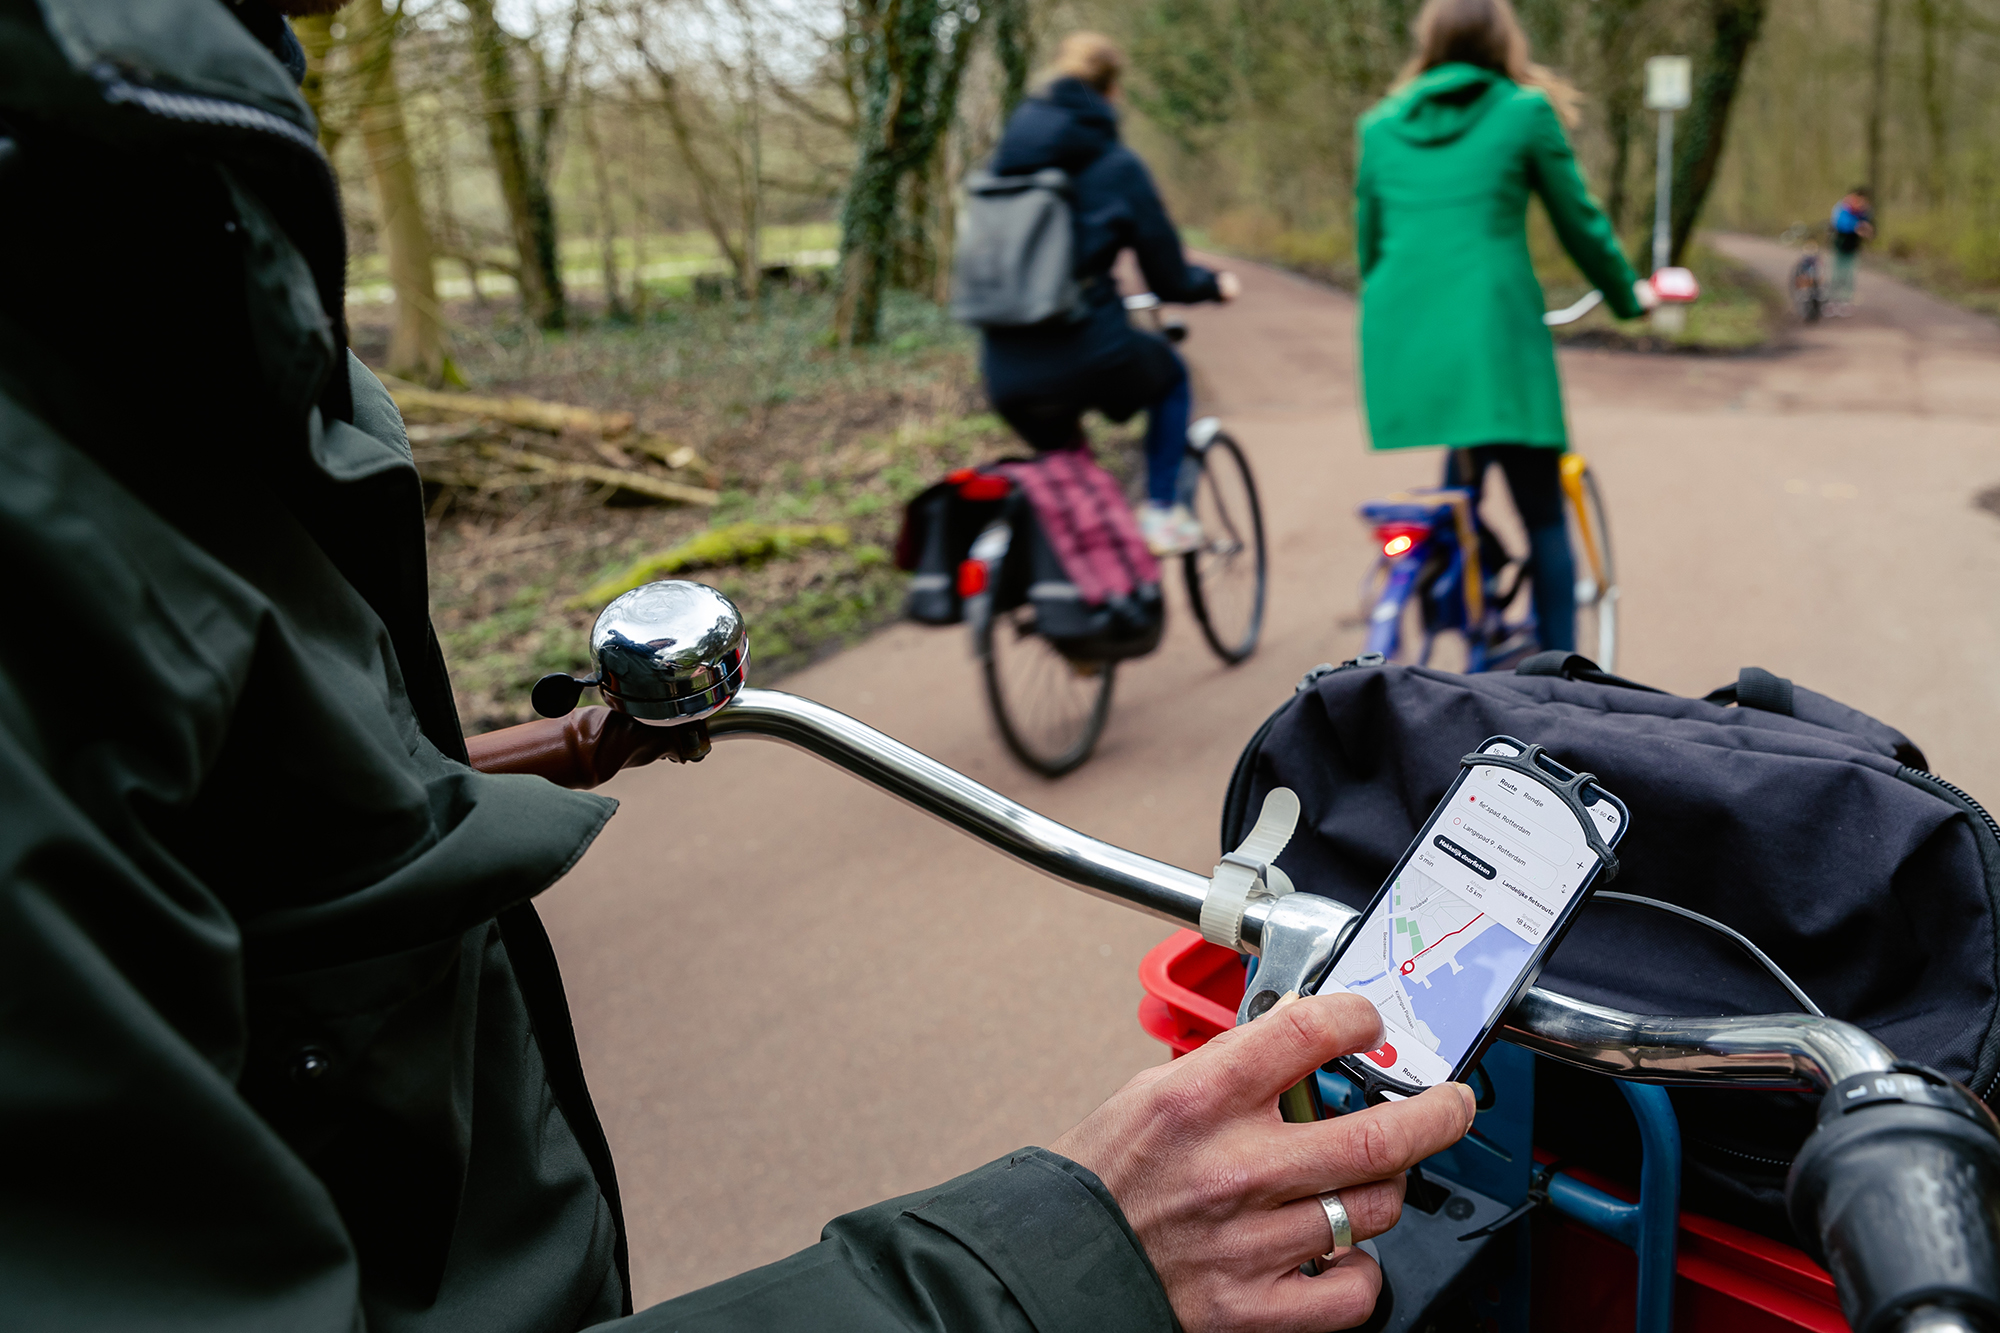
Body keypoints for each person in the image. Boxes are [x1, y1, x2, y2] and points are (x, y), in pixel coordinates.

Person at [0, 3, 1473, 1331]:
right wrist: (1068, 1265)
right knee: (1158, 383)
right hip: (1100, 348)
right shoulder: (102, 254)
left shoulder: (169, 186)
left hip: (1007, 357)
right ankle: (1161, 511)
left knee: (1045, 445)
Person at [1354, 0, 1657, 653]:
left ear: (1428, 42)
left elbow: (1370, 247)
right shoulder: (1523, 112)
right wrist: (1628, 296)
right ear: (1504, 42)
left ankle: (1461, 590)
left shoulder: (1379, 126)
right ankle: (1564, 678)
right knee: (1543, 516)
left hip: (1404, 336)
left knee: (1456, 492)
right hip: (1494, 337)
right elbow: (1580, 224)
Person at [979, 33, 1243, 558]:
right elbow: (1168, 278)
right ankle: (1161, 512)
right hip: (1088, 349)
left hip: (1003, 365)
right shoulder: (1117, 166)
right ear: (1112, 92)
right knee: (1172, 377)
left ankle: (1082, 563)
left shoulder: (1002, 166)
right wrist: (1215, 286)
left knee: (1069, 469)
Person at [1828, 186, 1874, 315]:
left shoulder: (1864, 212)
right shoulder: (1842, 208)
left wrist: (1867, 229)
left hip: (1853, 248)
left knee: (1849, 275)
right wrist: (1856, 226)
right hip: (1839, 246)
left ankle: (1845, 301)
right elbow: (1840, 223)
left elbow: (1869, 227)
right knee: (1837, 274)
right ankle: (1833, 300)